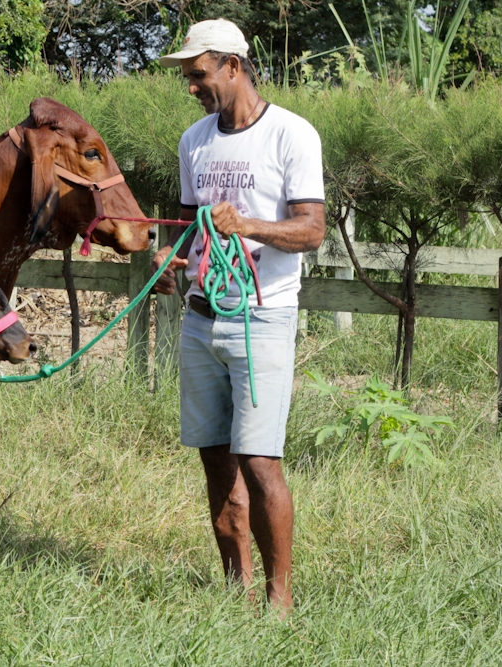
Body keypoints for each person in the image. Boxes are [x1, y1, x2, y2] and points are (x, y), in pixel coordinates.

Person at [152, 18, 326, 614]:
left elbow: (312, 230)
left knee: (259, 460)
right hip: (199, 319)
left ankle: (280, 603)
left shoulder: (291, 135)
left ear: (232, 65)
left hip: (261, 318)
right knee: (215, 457)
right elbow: (188, 225)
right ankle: (236, 592)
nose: (191, 86)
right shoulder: (194, 141)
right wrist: (169, 261)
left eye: (197, 74)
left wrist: (248, 224)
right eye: (187, 77)